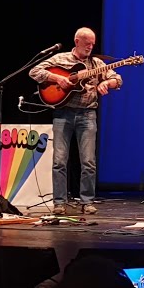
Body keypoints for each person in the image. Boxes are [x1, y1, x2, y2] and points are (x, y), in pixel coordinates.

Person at [28, 27, 122, 214]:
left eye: (93, 44)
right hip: (63, 113)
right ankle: (59, 203)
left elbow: (117, 79)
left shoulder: (96, 64)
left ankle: (87, 201)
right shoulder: (60, 59)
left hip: (87, 115)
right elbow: (34, 71)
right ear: (77, 41)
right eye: (87, 43)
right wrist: (57, 78)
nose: (90, 47)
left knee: (88, 161)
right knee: (59, 160)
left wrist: (106, 83)